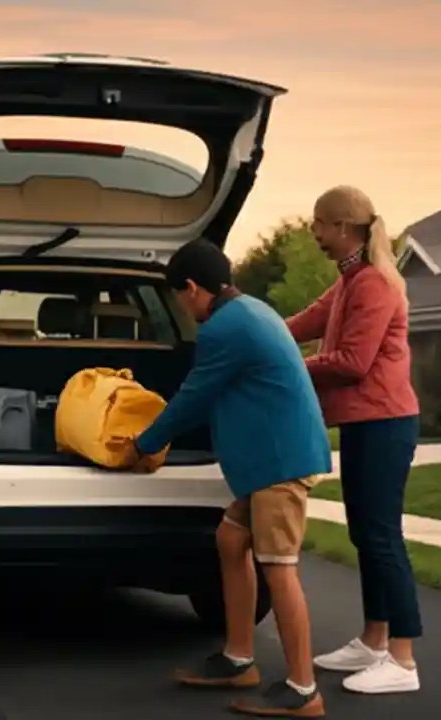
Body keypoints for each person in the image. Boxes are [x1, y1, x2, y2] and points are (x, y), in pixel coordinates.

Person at [132, 238, 333, 718]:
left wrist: (144, 443)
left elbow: (194, 397)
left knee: (279, 569)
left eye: (180, 297)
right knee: (230, 539)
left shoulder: (225, 328)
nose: (183, 307)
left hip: (279, 466)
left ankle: (304, 689)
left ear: (193, 288)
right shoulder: (253, 312)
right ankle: (238, 658)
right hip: (271, 461)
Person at [286, 185, 423, 695]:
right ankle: (373, 641)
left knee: (383, 536)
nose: (315, 234)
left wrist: (287, 367)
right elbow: (301, 323)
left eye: (319, 225)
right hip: (367, 423)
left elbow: (351, 363)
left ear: (343, 227)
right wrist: (255, 335)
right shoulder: (348, 281)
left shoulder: (373, 285)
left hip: (385, 422)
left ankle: (403, 660)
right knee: (366, 534)